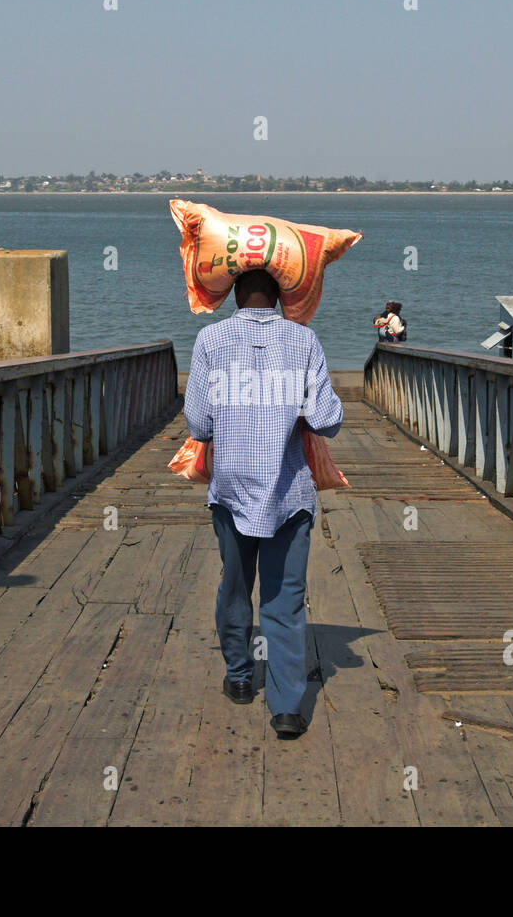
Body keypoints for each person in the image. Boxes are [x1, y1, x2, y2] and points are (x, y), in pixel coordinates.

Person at [183, 269, 343, 739]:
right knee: (285, 600)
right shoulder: (304, 341)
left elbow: (199, 422)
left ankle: (238, 678)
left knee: (234, 588)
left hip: (232, 492)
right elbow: (326, 420)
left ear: (235, 295)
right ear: (280, 297)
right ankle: (288, 708)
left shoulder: (210, 339)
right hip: (288, 495)